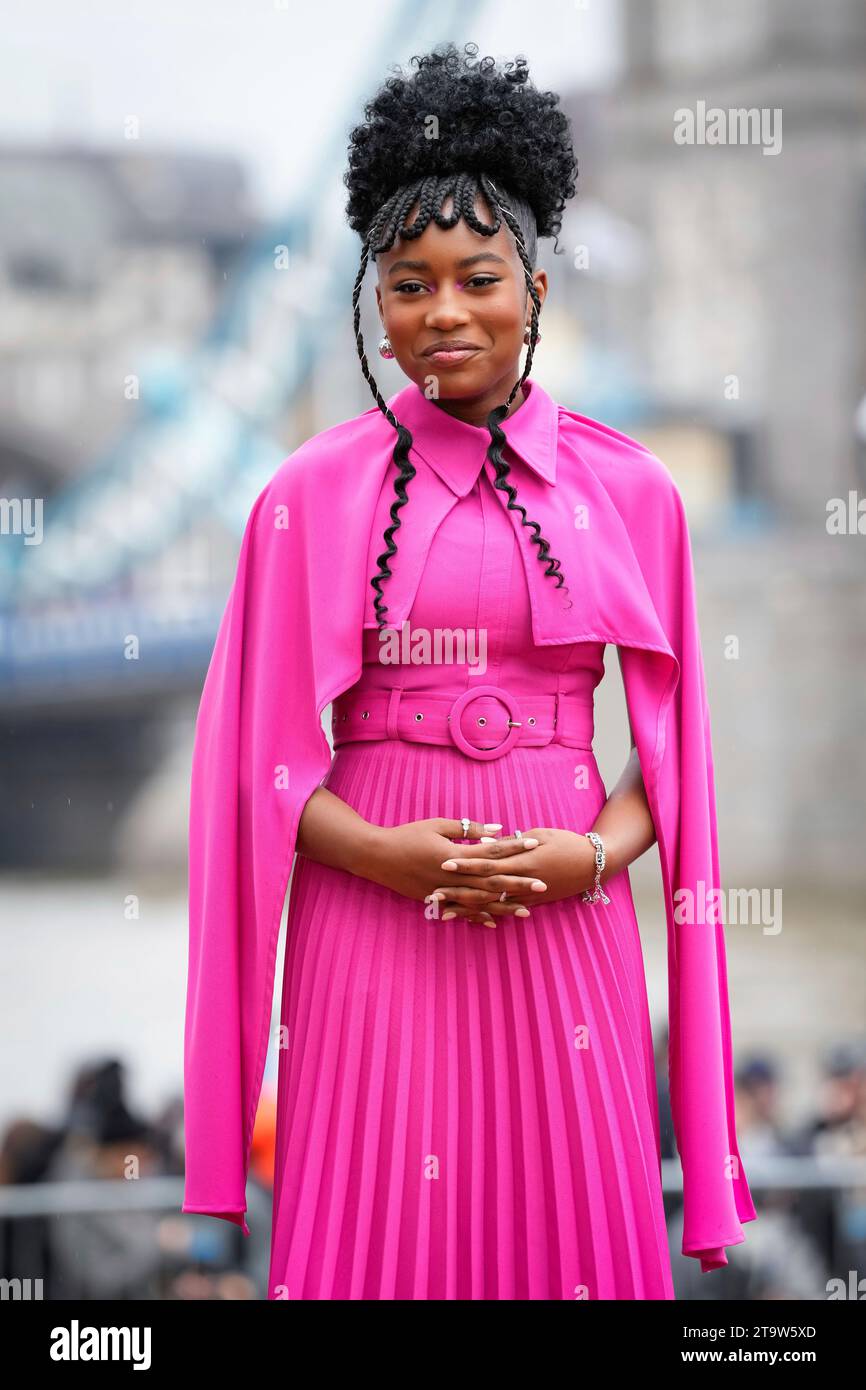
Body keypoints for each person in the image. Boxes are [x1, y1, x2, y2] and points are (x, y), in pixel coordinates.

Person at [182, 40, 756, 1300]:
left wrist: (587, 858)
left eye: (476, 278)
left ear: (537, 285)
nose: (441, 312)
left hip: (567, 919)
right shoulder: (301, 496)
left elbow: (671, 759)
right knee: (375, 1234)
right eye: (406, 284)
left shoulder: (637, 492)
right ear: (374, 305)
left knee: (570, 1237)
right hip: (366, 920)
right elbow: (252, 766)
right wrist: (385, 856)